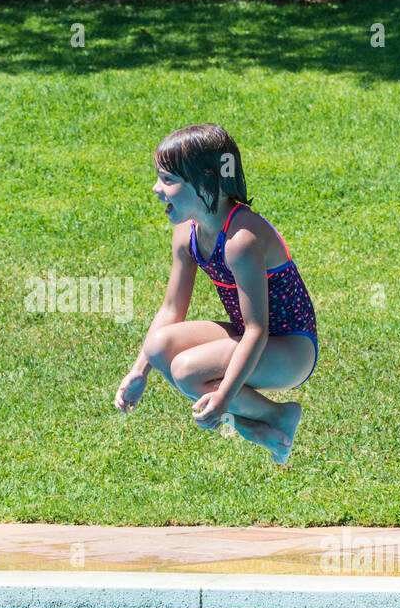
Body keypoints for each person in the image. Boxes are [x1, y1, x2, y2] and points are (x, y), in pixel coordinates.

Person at [114, 124, 317, 463]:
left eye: (168, 179)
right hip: (249, 336)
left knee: (186, 370)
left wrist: (224, 397)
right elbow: (170, 309)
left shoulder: (241, 239)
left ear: (206, 182)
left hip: (291, 348)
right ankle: (263, 418)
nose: (156, 189)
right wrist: (139, 372)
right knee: (159, 345)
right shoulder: (186, 234)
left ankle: (272, 417)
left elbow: (257, 329)